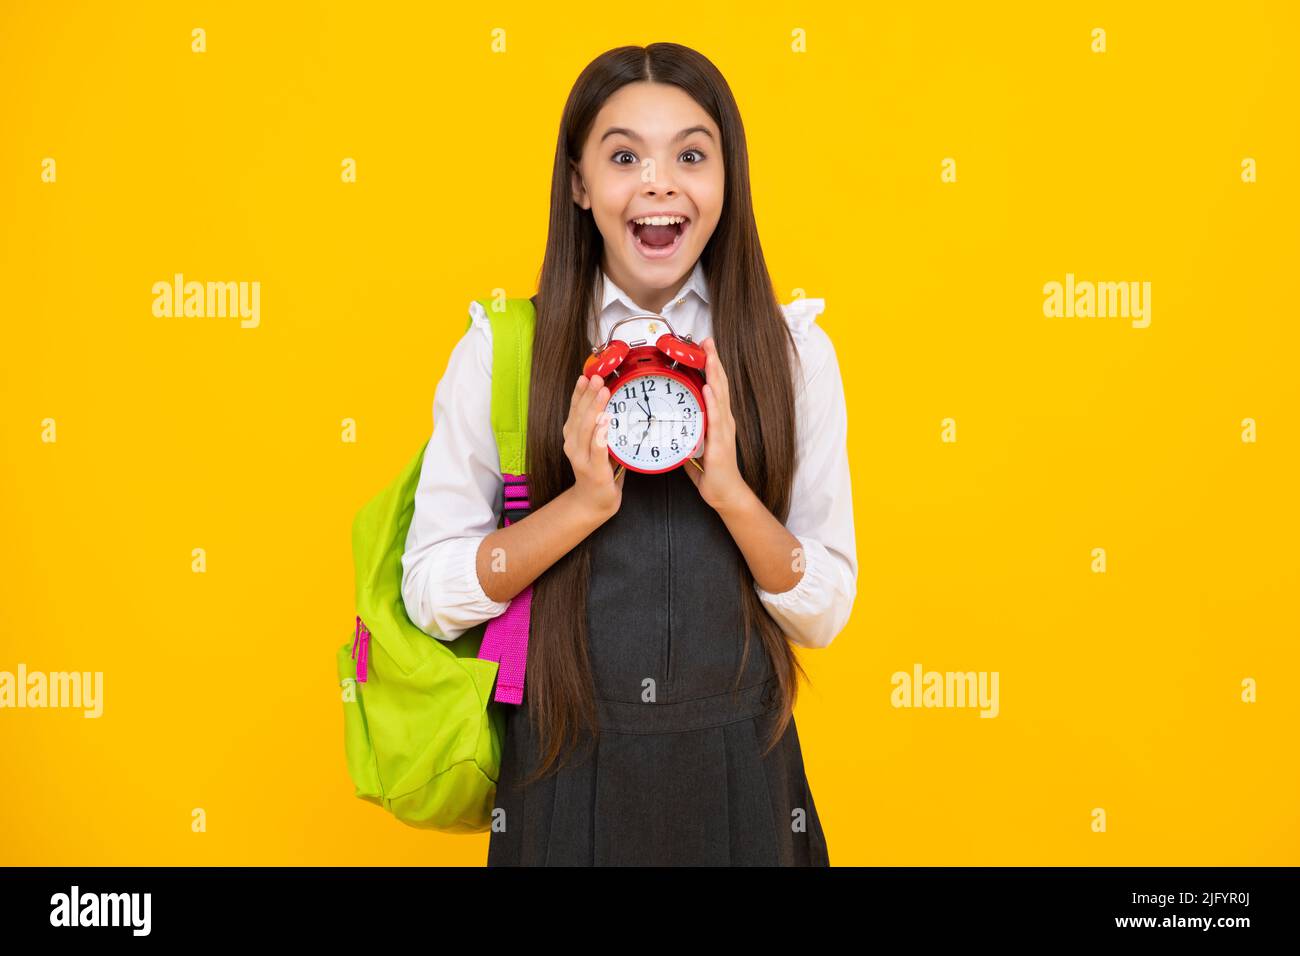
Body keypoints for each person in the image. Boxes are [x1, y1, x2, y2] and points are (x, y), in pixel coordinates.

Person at [401, 42, 857, 865]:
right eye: (622, 156)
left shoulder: (790, 353)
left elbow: (823, 609)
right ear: (578, 183)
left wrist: (731, 493)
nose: (658, 182)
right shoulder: (505, 351)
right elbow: (430, 593)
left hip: (744, 785)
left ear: (727, 179)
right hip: (563, 777)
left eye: (690, 154)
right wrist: (580, 506)